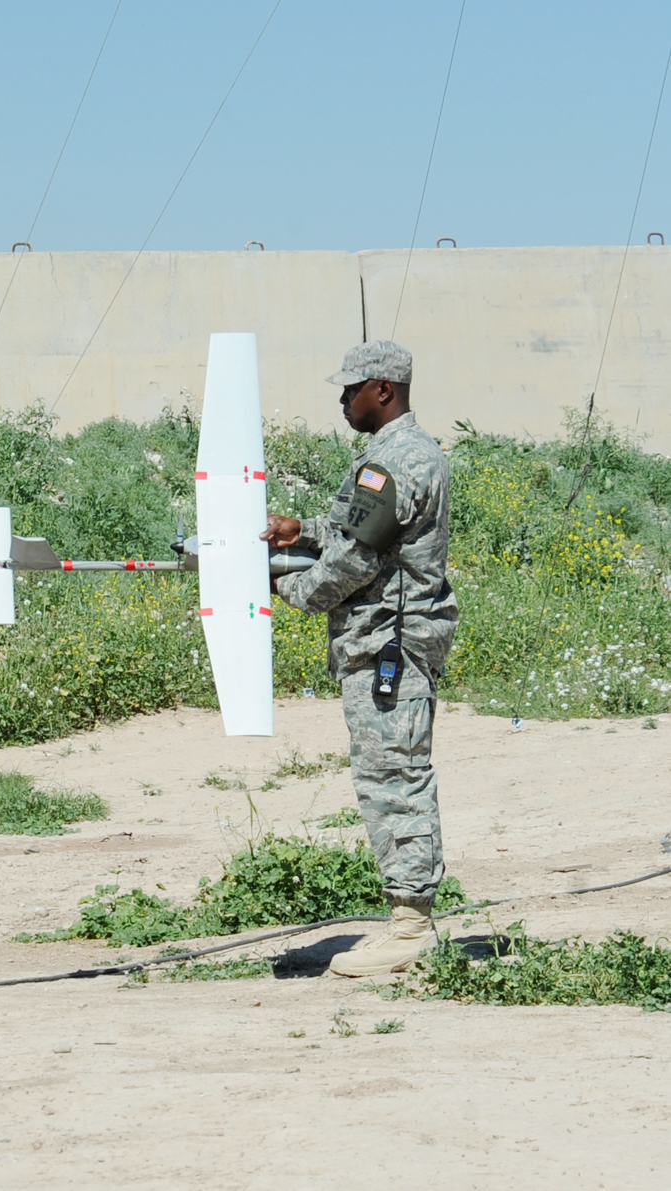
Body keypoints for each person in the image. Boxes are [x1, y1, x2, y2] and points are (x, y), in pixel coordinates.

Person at [263, 340, 459, 978]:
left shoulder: (394, 461)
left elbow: (356, 561)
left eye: (352, 389)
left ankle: (411, 929)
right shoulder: (401, 455)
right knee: (390, 773)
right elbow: (360, 532)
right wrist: (304, 531)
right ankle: (408, 921)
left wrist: (288, 589)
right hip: (387, 644)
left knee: (394, 778)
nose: (343, 400)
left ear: (384, 390)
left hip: (388, 647)